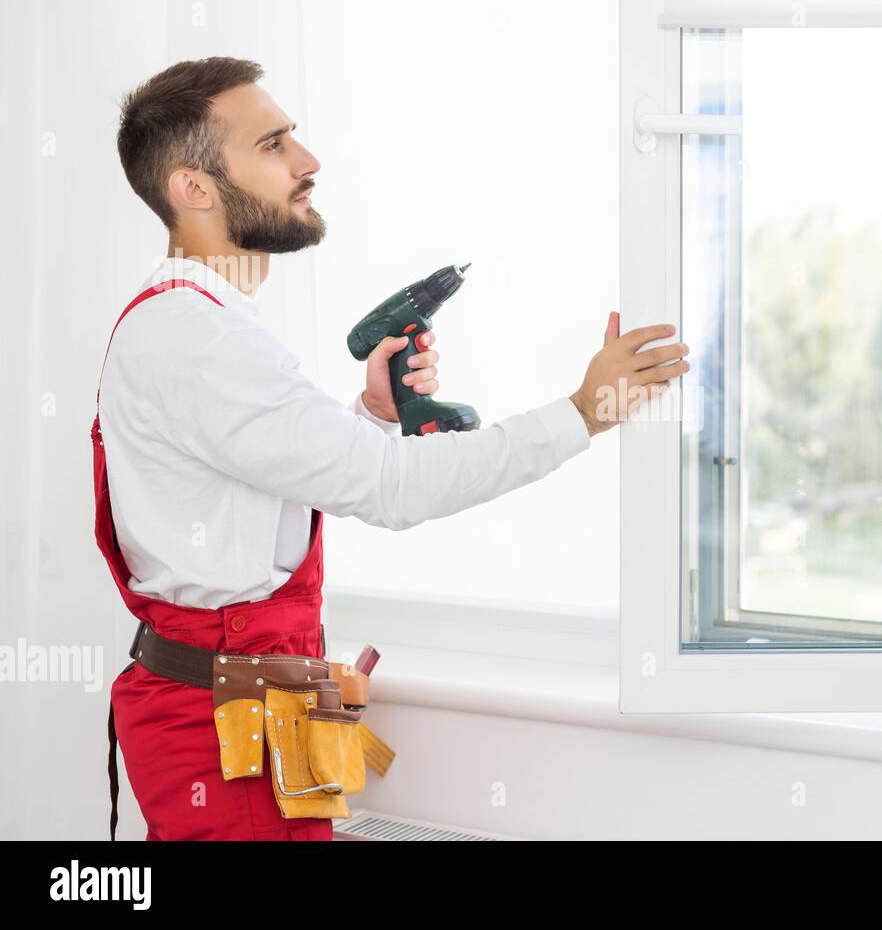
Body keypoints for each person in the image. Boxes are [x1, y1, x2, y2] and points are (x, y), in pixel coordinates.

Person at [95, 56, 689, 839]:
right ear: (193, 188)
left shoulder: (201, 322)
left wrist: (373, 414)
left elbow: (262, 495)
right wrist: (584, 412)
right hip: (225, 728)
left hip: (255, 706)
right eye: (273, 145)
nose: (308, 163)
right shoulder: (197, 337)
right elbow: (392, 490)